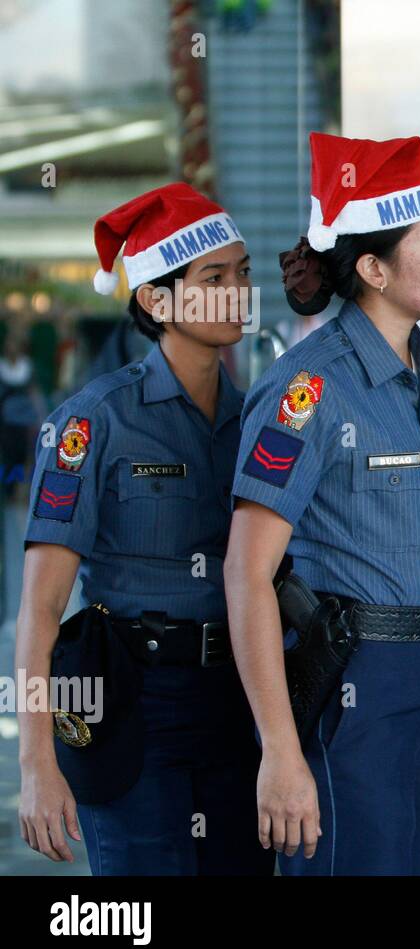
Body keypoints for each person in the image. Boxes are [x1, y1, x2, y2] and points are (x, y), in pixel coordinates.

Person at [223, 133, 420, 875]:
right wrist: (278, 749)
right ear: (372, 267)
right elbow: (246, 573)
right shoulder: (310, 390)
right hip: (357, 688)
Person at [16, 183, 273, 875]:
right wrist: (36, 759)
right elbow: (40, 607)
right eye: (214, 278)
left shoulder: (258, 420)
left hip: (237, 698)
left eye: (244, 273)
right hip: (132, 701)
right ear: (158, 301)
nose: (238, 292)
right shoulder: (93, 420)